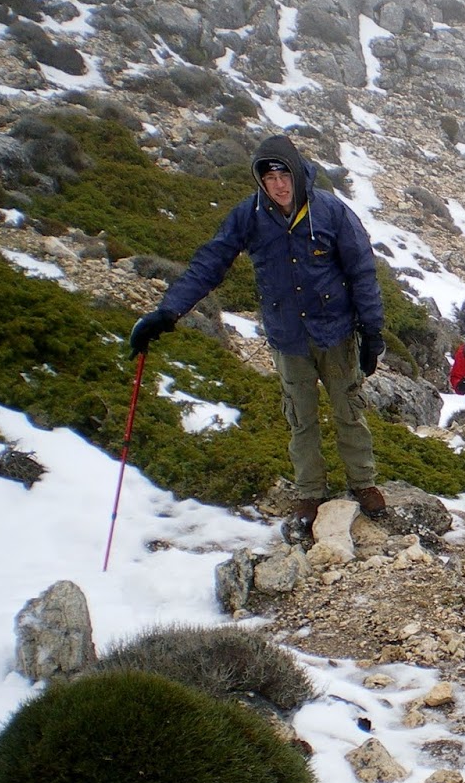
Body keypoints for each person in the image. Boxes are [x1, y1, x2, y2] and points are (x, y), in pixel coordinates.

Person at [128, 134, 387, 541]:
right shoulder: (248, 216)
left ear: (298, 174)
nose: (279, 185)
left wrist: (372, 331)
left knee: (348, 410)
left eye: (284, 174)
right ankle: (310, 493)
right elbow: (210, 263)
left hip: (335, 333)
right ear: (260, 182)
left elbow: (362, 272)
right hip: (288, 337)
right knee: (300, 417)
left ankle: (364, 484)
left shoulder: (332, 211)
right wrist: (168, 311)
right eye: (269, 177)